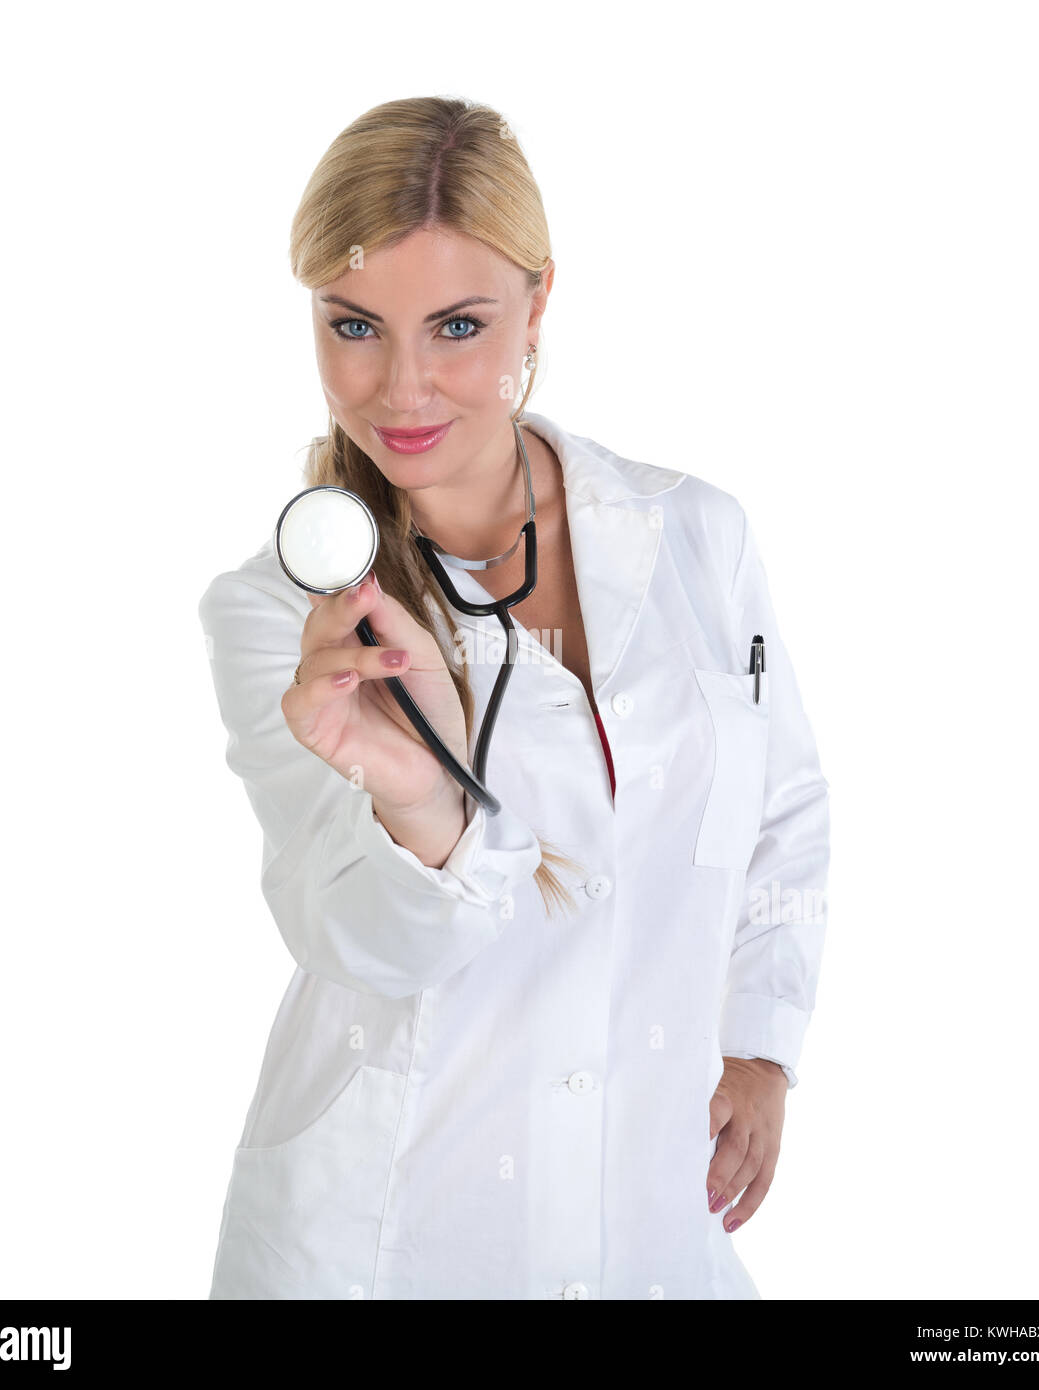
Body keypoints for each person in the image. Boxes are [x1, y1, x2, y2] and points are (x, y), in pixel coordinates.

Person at [197, 95, 831, 1301]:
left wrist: (760, 1039)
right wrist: (424, 799)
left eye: (455, 324)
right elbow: (359, 941)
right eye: (352, 326)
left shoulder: (696, 535)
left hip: (647, 1212)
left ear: (538, 303)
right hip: (397, 1226)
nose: (400, 387)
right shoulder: (279, 618)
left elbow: (782, 804)